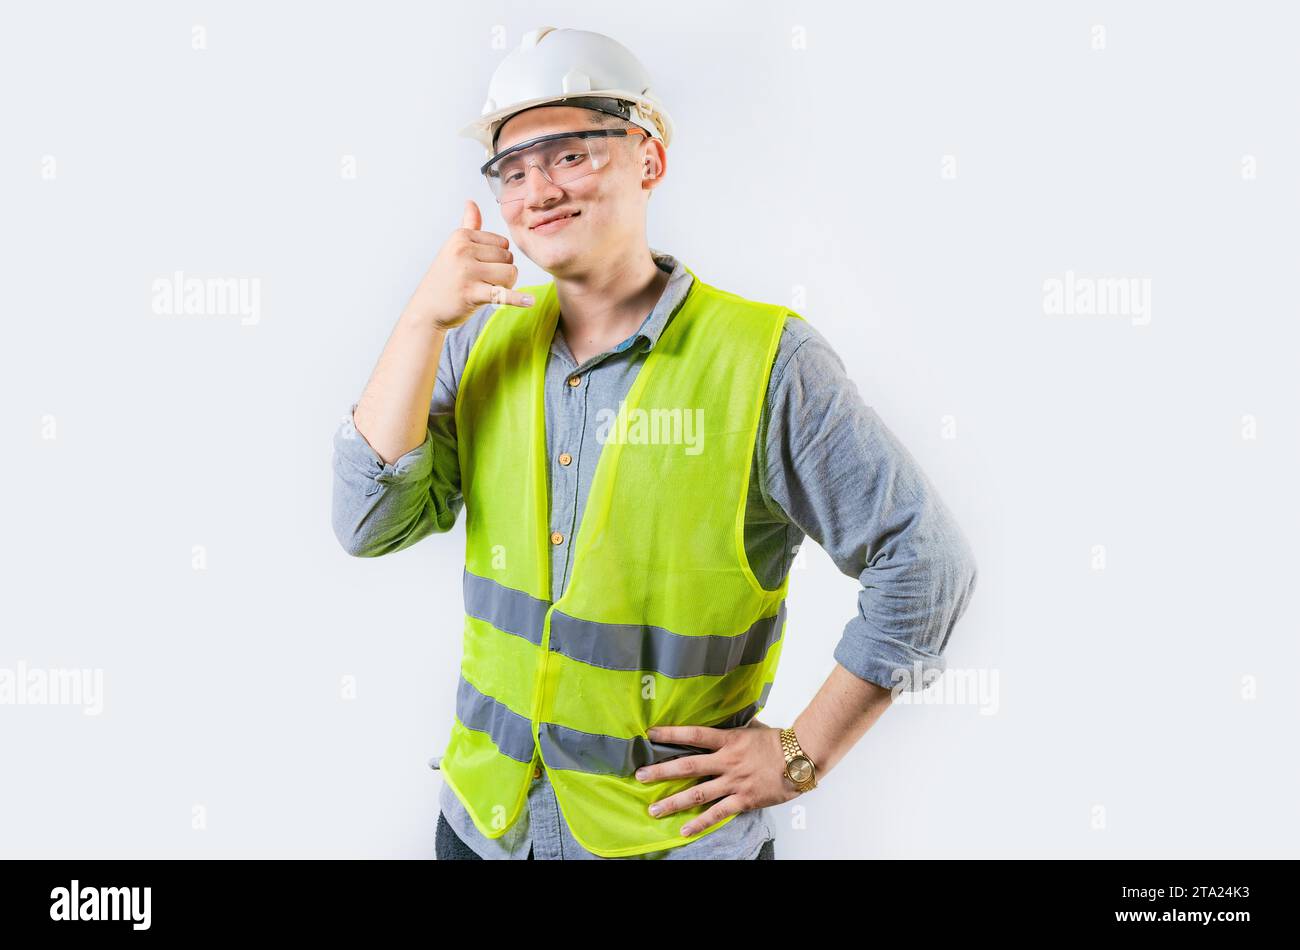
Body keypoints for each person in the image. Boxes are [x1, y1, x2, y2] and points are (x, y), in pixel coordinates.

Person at [331, 26, 978, 860]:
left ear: (649, 158)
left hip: (671, 844)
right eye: (514, 169)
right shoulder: (477, 343)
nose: (539, 189)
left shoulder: (767, 364)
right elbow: (366, 525)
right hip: (485, 828)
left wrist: (801, 755)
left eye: (570, 154)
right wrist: (421, 319)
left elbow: (928, 564)